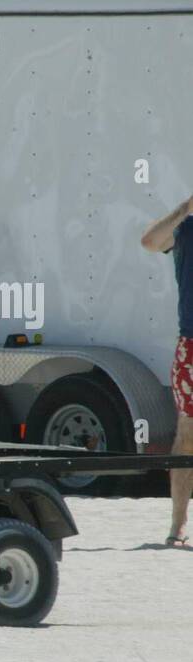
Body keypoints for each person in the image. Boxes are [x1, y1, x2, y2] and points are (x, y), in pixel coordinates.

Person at [142, 196, 193, 547]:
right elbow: (149, 241)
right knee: (186, 437)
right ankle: (177, 527)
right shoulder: (186, 229)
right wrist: (186, 207)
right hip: (192, 344)